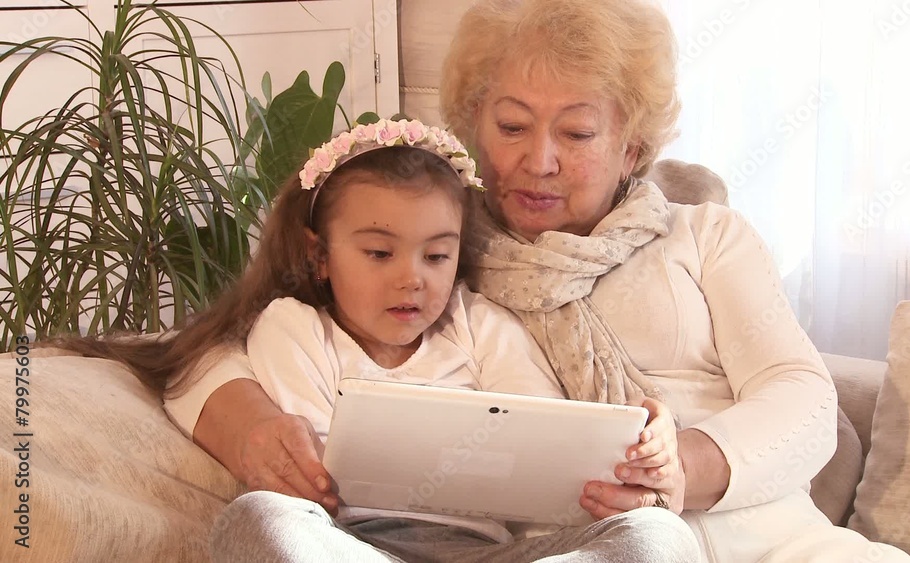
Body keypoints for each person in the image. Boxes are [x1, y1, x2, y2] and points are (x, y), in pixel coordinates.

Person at [163, 1, 910, 562]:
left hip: (767, 538)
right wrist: (256, 428)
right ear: (474, 124)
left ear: (632, 147)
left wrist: (681, 466)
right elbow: (211, 349)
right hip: (561, 541)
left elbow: (804, 398)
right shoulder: (439, 247)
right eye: (513, 126)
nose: (539, 161)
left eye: (578, 132)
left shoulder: (705, 235)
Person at [61, 118, 699, 561]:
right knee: (258, 521)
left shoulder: (482, 324)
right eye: (378, 253)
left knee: (659, 537)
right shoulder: (294, 326)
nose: (412, 279)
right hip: (353, 547)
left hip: (488, 553)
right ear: (320, 255)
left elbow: (540, 431)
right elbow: (317, 476)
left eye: (437, 256)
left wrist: (633, 445)